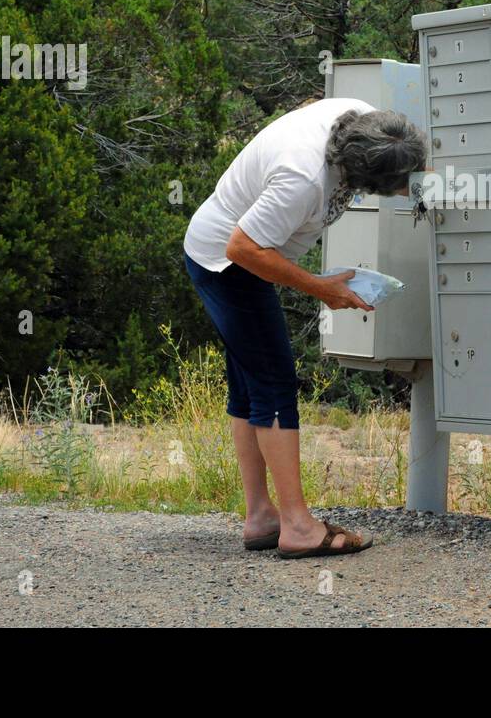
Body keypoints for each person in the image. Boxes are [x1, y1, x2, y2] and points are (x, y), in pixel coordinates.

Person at [183, 97, 428, 559]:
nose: (398, 194)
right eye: (389, 188)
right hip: (225, 264)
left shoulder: (365, 118)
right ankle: (297, 526)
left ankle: (261, 517)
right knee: (274, 383)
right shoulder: (302, 179)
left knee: (251, 386)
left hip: (235, 255)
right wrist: (321, 288)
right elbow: (244, 249)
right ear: (357, 176)